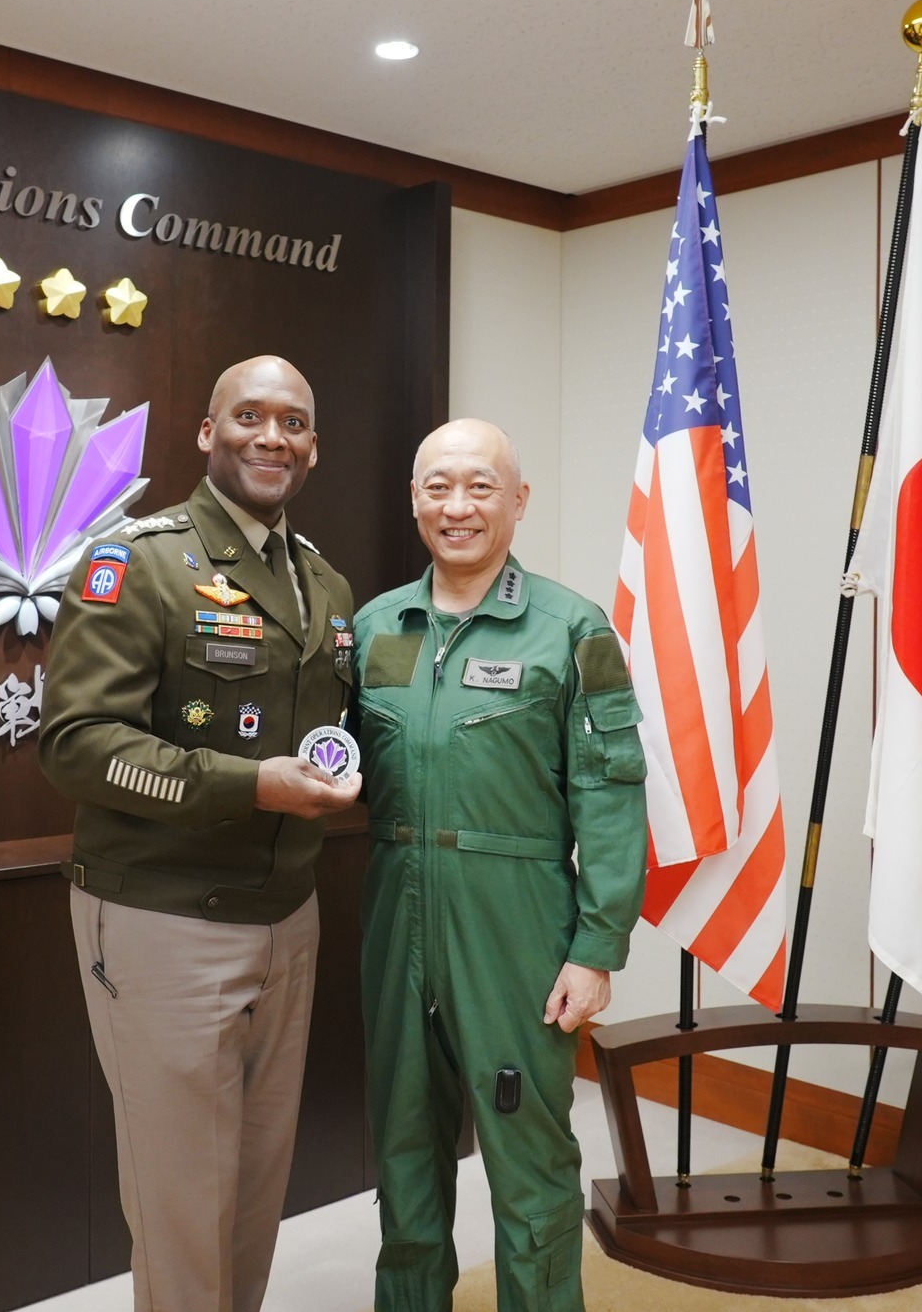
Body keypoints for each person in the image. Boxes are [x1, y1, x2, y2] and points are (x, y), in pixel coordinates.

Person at [39, 356, 362, 1312]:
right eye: (250, 417)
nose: (272, 437)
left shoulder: (324, 583)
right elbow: (75, 744)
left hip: (286, 919)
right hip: (163, 919)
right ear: (205, 432)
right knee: (182, 1202)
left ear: (314, 445)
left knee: (254, 1191)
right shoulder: (134, 561)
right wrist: (247, 784)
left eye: (293, 422)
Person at [353, 418, 648, 1312]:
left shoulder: (571, 629)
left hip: (515, 931)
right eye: (437, 486)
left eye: (480, 485)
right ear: (414, 501)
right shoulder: (374, 627)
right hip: (395, 921)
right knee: (404, 1163)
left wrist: (596, 946)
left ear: (518, 502)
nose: (457, 505)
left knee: (529, 1174)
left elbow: (610, 793)